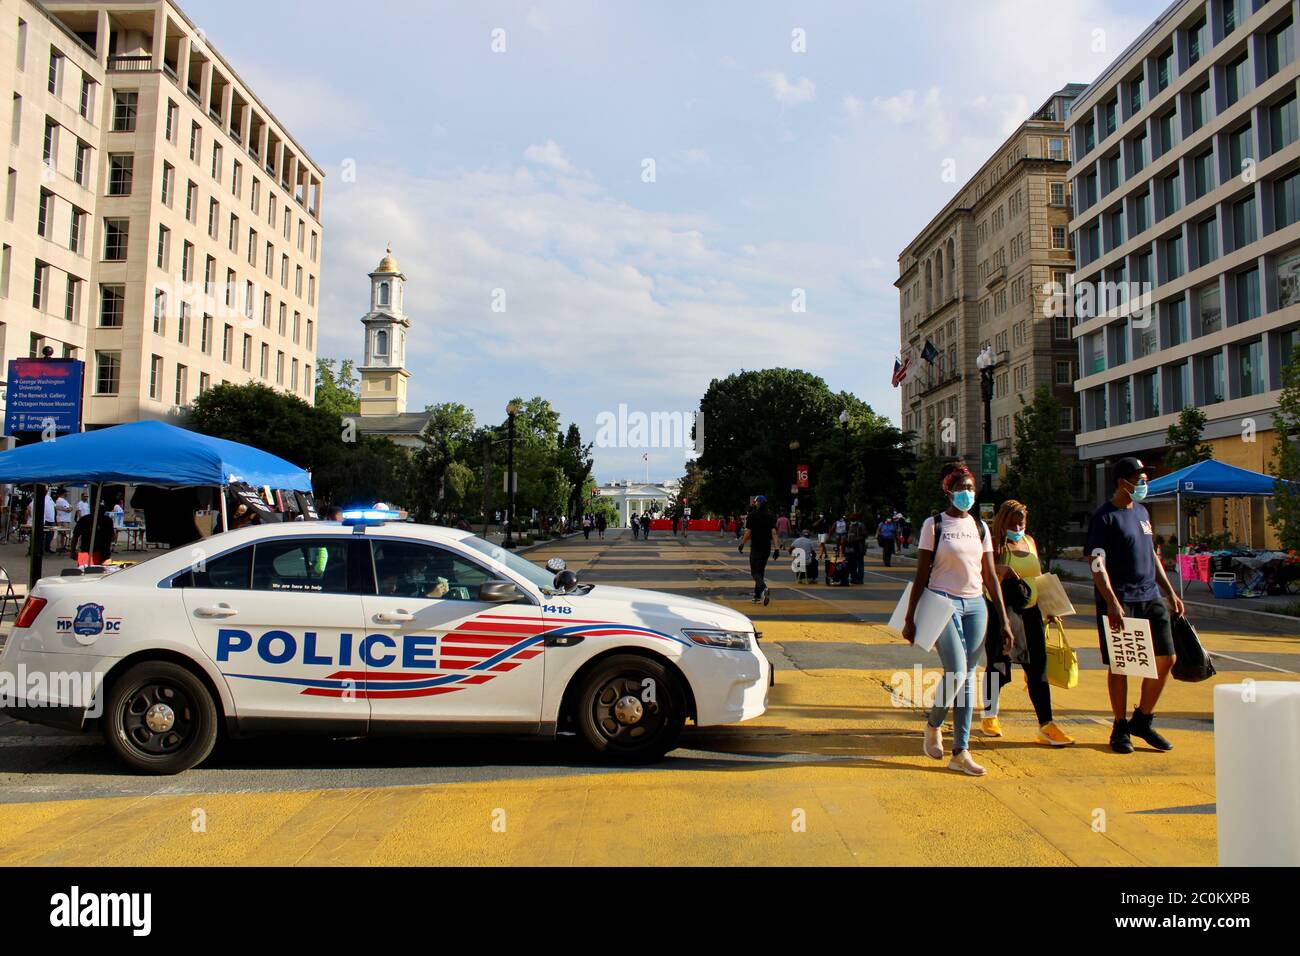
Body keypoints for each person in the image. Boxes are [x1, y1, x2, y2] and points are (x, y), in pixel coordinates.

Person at [902, 462, 1014, 777]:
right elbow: (922, 573)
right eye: (961, 487)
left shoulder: (980, 527)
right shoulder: (934, 525)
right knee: (957, 671)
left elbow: (990, 575)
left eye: (970, 487)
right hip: (942, 603)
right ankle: (933, 724)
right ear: (948, 490)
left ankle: (960, 751)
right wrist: (910, 618)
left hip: (976, 604)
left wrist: (1003, 620)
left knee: (967, 677)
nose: (967, 493)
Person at [1087, 456, 1184, 755]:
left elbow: (1152, 555)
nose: (1144, 484)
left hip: (1150, 596)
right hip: (1121, 600)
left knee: (1166, 658)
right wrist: (1112, 602)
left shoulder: (1142, 512)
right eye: (1139, 479)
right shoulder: (1104, 517)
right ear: (1122, 482)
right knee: (1122, 665)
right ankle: (1119, 727)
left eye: (1145, 478)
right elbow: (1096, 563)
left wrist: (1170, 591)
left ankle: (1142, 719)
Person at [980, 500, 1074, 747]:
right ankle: (989, 715)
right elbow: (982, 572)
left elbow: (1039, 576)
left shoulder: (1030, 542)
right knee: (999, 666)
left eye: (1021, 522)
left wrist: (1050, 607)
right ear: (1002, 522)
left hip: (1031, 611)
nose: (1017, 527)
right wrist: (1002, 569)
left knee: (1038, 668)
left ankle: (1046, 725)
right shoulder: (994, 544)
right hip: (1003, 612)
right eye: (1012, 523)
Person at [739, 496, 778, 605]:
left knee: (754, 572)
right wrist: (777, 548)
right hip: (767, 547)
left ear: (759, 503)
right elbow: (774, 533)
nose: (755, 504)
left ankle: (764, 588)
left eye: (756, 502)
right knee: (760, 571)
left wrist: (742, 543)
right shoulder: (771, 516)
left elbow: (748, 532)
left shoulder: (752, 515)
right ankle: (757, 596)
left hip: (756, 547)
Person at [844, 513, 866, 584]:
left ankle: (860, 579)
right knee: (852, 564)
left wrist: (856, 539)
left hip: (859, 547)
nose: (852, 521)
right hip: (850, 548)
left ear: (857, 519)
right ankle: (854, 577)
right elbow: (847, 535)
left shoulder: (861, 525)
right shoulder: (849, 525)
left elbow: (865, 535)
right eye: (851, 519)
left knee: (860, 564)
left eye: (854, 519)